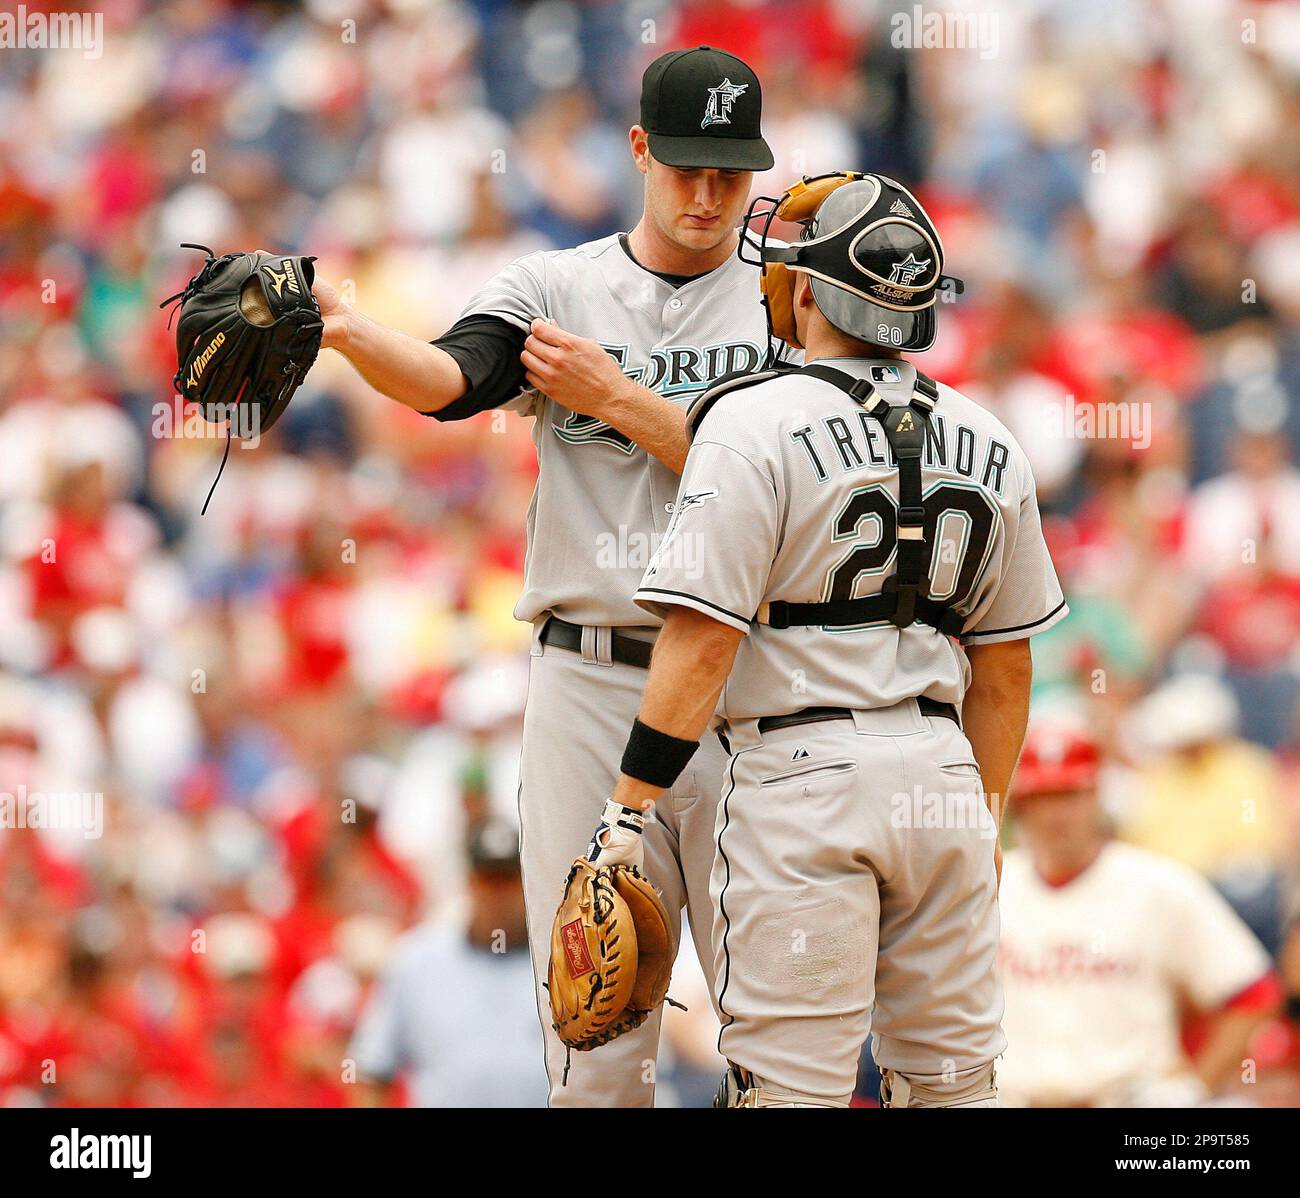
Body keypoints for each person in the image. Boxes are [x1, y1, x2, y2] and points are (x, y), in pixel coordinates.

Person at [313, 46, 784, 1106]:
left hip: (744, 688)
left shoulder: (785, 300)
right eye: (685, 168)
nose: (708, 194)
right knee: (592, 1039)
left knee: (775, 1047)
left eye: (728, 172)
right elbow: (450, 381)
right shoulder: (556, 285)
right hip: (591, 684)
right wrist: (347, 334)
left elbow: (789, 493)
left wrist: (616, 397)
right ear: (637, 152)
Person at [585, 171, 1067, 1107]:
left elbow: (700, 642)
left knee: (789, 1090)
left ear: (807, 290)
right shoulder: (994, 437)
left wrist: (628, 812)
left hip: (801, 777)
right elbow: (1006, 666)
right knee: (955, 1084)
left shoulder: (749, 419)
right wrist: (987, 812)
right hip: (944, 777)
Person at [998, 717, 1280, 1106]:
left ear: (1097, 794)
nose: (1055, 814)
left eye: (1069, 794)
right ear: (1020, 805)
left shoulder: (1158, 883)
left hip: (1128, 1101)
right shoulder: (990, 888)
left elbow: (1253, 993)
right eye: (1042, 797)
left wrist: (1195, 1087)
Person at [348, 819, 547, 1108]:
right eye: (488, 880)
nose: (498, 894)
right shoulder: (417, 961)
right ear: (469, 882)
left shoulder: (562, 962)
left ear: (528, 883)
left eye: (508, 881)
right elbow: (373, 1070)